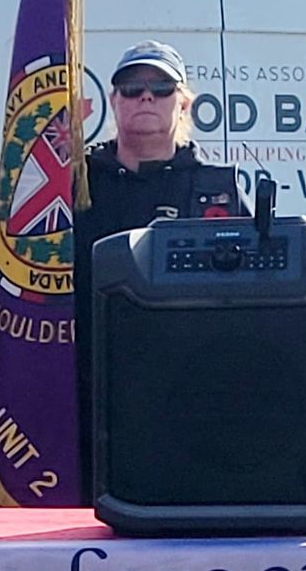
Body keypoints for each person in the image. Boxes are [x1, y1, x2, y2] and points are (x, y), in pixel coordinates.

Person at [72, 41, 243, 486]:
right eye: (131, 87)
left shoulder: (213, 191)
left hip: (186, 390)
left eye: (161, 87)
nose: (145, 97)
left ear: (182, 102)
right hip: (92, 388)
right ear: (113, 101)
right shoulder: (78, 186)